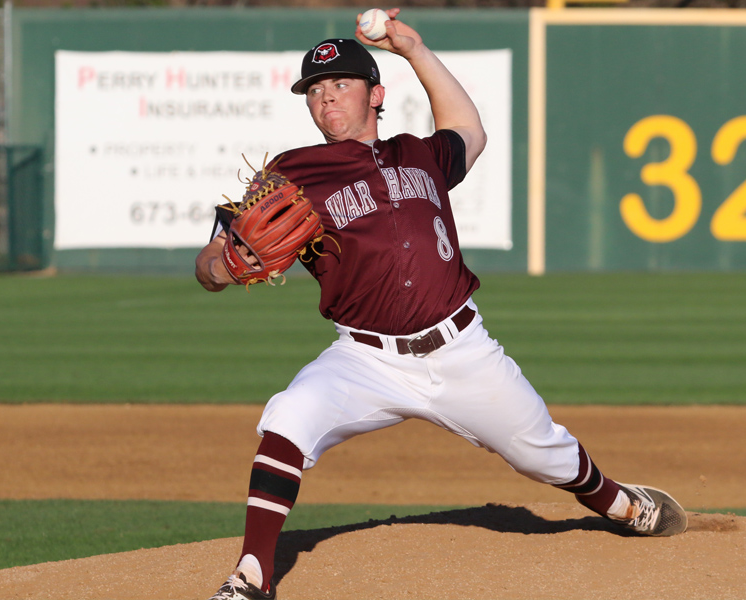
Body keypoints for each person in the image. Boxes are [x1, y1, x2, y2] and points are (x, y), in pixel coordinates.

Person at [196, 9, 687, 600]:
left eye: (340, 86)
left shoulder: (418, 153)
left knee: (544, 454)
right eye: (315, 91)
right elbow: (212, 261)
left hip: (462, 349)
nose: (326, 100)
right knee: (287, 418)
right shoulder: (290, 174)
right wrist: (221, 266)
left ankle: (618, 501)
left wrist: (415, 50)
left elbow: (470, 130)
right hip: (365, 359)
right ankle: (253, 574)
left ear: (376, 94)